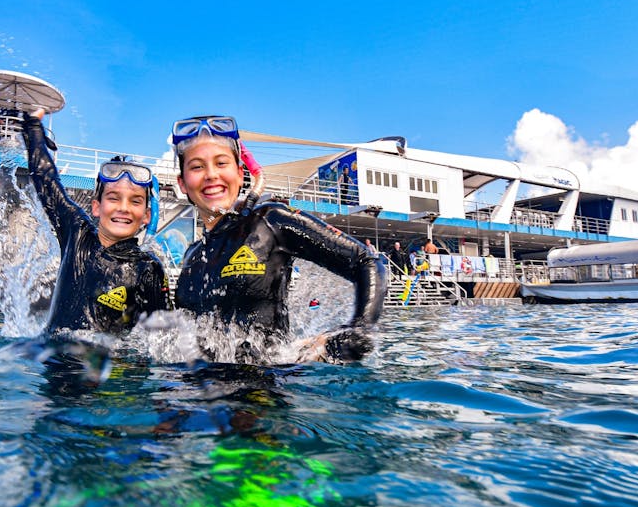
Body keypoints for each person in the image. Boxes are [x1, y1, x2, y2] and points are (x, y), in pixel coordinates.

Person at [170, 114, 387, 363]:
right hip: (196, 394)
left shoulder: (270, 220)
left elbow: (366, 261)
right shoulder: (192, 254)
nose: (210, 175)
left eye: (221, 163)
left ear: (241, 174)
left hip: (264, 391)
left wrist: (360, 329)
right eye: (197, 167)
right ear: (183, 183)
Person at [21, 109, 171, 335]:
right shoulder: (77, 234)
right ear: (96, 207)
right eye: (113, 198)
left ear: (146, 216)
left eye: (135, 201)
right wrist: (33, 128)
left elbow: (162, 339)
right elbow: (47, 182)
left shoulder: (148, 268)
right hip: (52, 364)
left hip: (104, 368)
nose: (123, 208)